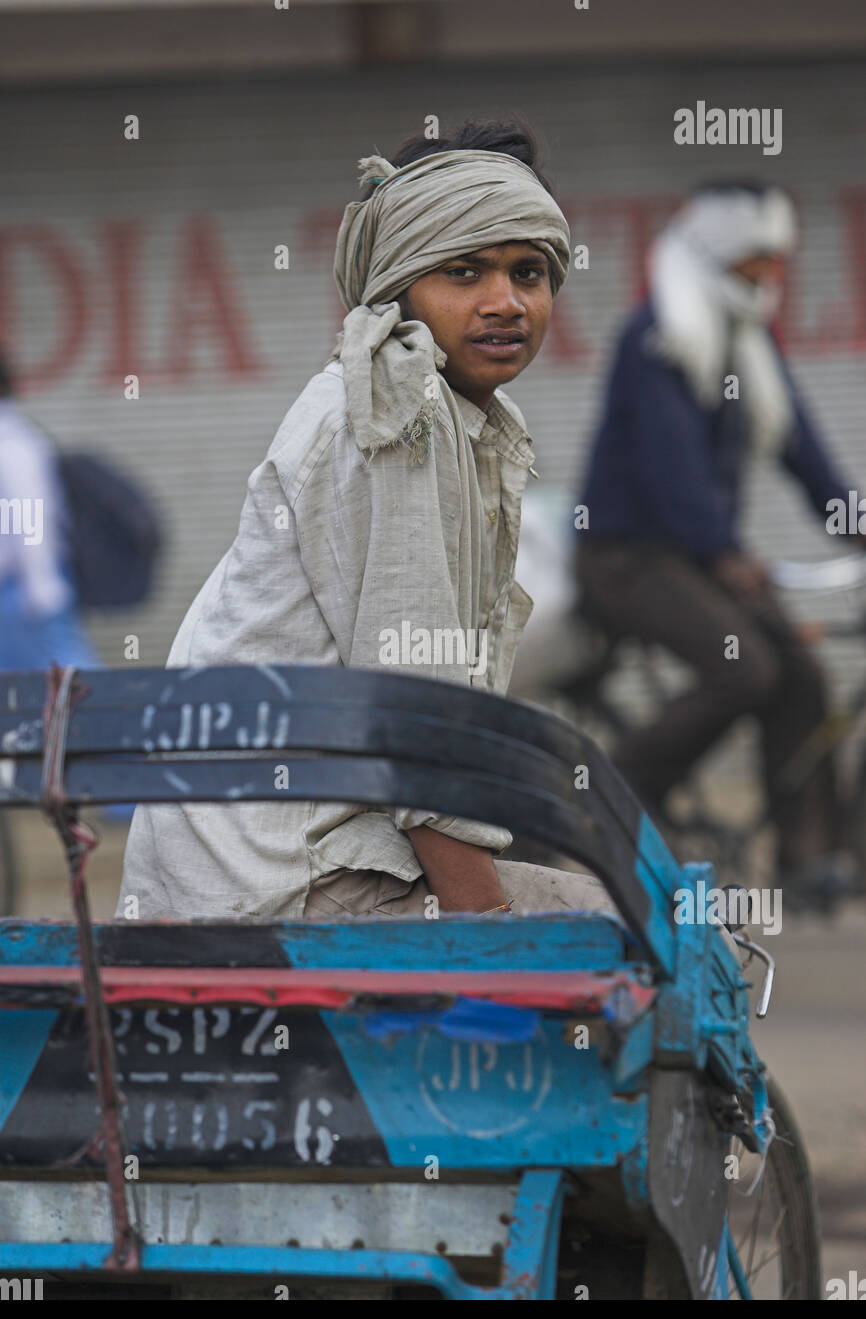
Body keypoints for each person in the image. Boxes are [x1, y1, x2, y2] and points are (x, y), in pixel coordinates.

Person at [117, 118, 614, 923]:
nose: (506, 302)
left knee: (660, 928)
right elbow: (415, 698)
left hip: (300, 850)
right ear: (398, 285)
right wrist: (486, 936)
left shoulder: (451, 410)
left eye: (528, 272)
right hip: (278, 877)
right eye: (464, 271)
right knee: (662, 946)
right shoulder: (393, 411)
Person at [576, 182, 857, 899]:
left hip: (698, 555)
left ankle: (805, 859)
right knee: (746, 669)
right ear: (721, 260)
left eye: (775, 263)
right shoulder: (659, 335)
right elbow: (673, 469)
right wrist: (723, 552)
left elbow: (805, 452)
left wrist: (854, 523)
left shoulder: (746, 340)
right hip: (625, 557)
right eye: (757, 263)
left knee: (805, 677)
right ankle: (619, 793)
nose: (772, 278)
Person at [0, 356, 98, 671]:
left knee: (74, 686)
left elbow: (29, 513)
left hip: (22, 593)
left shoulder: (11, 443)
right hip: (19, 591)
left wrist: (41, 587)